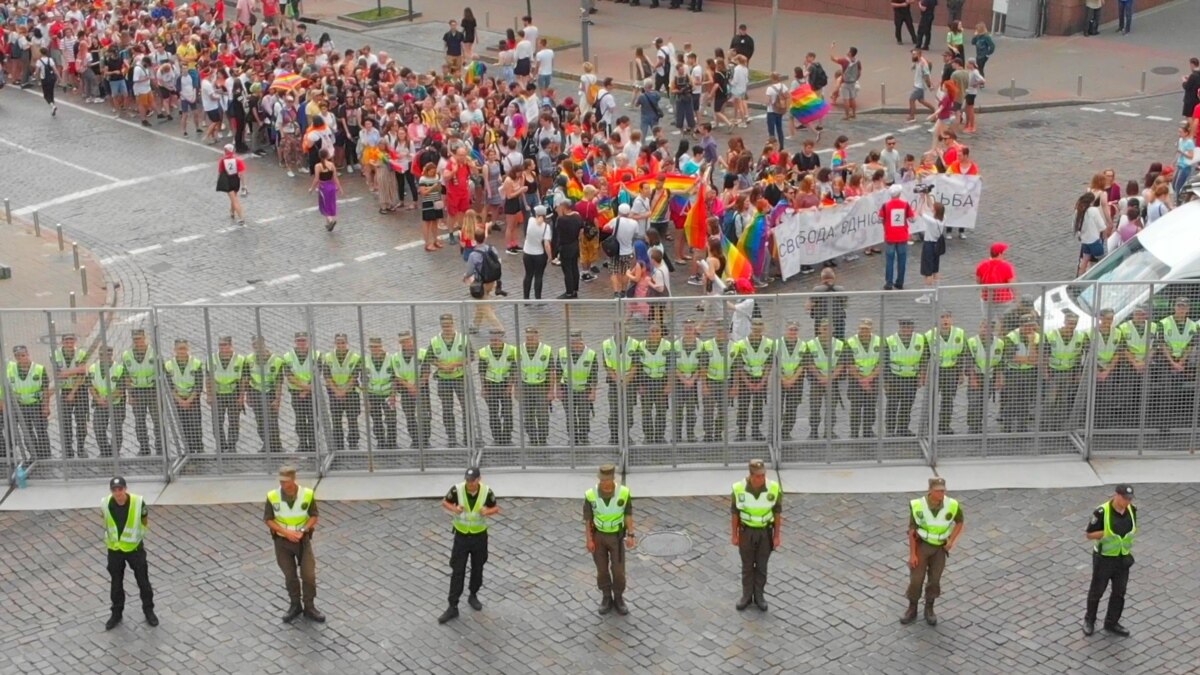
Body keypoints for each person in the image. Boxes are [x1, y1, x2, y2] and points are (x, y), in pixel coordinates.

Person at [439, 467, 501, 624]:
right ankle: (452, 606)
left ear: (479, 480)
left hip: (479, 536)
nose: (469, 483)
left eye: (472, 481)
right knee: (457, 571)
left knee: (477, 567)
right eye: (467, 480)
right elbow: (445, 502)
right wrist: (455, 509)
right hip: (461, 536)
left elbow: (496, 508)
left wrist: (487, 512)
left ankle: (473, 594)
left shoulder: (486, 492)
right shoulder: (458, 489)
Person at [900, 477, 964, 626]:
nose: (942, 493)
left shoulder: (952, 505)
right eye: (938, 491)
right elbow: (912, 531)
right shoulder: (918, 505)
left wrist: (951, 541)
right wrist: (913, 554)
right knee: (916, 579)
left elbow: (960, 522)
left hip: (940, 549)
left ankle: (929, 607)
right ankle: (912, 607)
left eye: (943, 490)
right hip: (922, 546)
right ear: (930, 491)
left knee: (935, 580)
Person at [265, 466, 324, 623]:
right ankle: (295, 605)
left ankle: (310, 606)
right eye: (282, 482)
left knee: (308, 575)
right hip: (282, 542)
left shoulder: (307, 494)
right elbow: (269, 519)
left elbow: (314, 515)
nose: (284, 485)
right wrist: (286, 533)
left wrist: (304, 529)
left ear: (293, 479)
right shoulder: (273, 496)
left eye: (287, 482)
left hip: (302, 541)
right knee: (290, 576)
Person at [102, 476, 157, 630]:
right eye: (114, 490)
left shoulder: (138, 502)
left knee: (143, 582)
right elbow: (105, 520)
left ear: (125, 489)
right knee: (116, 583)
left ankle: (149, 610)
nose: (118, 493)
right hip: (115, 549)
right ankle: (116, 613)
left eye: (120, 489)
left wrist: (139, 535)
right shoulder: (106, 503)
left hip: (134, 549)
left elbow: (144, 520)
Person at [1083, 484, 1137, 637]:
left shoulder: (1132, 511)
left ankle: (1112, 622)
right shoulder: (1102, 512)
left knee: (1119, 592)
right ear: (1116, 495)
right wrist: (1106, 533)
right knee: (1097, 591)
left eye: (1129, 499)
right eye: (1125, 498)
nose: (1127, 502)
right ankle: (1090, 620)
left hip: (1122, 559)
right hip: (1104, 559)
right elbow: (1089, 534)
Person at [584, 464, 636, 615]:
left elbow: (628, 514)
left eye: (607, 481)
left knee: (618, 570)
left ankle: (618, 597)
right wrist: (589, 539)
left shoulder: (624, 493)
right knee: (602, 570)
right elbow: (588, 519)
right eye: (602, 481)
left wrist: (631, 534)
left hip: (617, 537)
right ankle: (606, 596)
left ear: (613, 480)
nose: (604, 484)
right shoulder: (590, 494)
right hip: (598, 536)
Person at [732, 459, 781, 611]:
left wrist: (777, 535)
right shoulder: (738, 488)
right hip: (746, 532)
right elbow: (735, 513)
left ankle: (759, 596)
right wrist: (734, 535)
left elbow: (777, 513)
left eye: (763, 475)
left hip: (765, 533)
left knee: (761, 566)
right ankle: (746, 596)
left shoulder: (773, 487)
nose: (761, 479)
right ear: (751, 475)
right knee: (747, 566)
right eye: (758, 476)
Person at [430, 314, 469, 447]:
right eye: (444, 326)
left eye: (449, 325)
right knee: (447, 409)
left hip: (460, 378)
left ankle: (467, 436)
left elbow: (471, 357)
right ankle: (451, 436)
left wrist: (454, 365)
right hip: (443, 379)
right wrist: (441, 366)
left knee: (466, 408)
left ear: (454, 324)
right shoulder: (435, 341)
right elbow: (430, 358)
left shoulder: (463, 339)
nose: (447, 328)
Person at [883, 318, 927, 437]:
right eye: (904, 327)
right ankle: (890, 430)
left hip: (911, 378)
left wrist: (922, 376)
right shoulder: (890, 340)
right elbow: (884, 361)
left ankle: (903, 429)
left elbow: (924, 358)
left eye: (908, 327)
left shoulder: (921, 339)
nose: (906, 330)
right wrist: (886, 381)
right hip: (895, 377)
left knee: (907, 405)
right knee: (892, 405)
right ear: (900, 328)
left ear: (912, 328)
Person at [733, 318, 774, 442]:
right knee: (743, 406)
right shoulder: (740, 344)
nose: (757, 331)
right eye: (755, 329)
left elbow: (769, 364)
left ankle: (756, 430)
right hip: (745, 378)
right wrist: (747, 382)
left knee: (758, 406)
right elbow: (738, 365)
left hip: (761, 378)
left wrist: (763, 381)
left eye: (759, 329)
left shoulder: (770, 344)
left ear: (763, 329)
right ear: (751, 328)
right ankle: (741, 432)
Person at [123, 329, 162, 456]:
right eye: (135, 339)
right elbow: (126, 376)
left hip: (153, 390)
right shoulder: (127, 355)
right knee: (139, 421)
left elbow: (161, 373)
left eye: (139, 338)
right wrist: (130, 394)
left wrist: (158, 392)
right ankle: (144, 447)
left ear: (144, 338)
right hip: (137, 391)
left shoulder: (154, 353)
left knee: (158, 421)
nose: (137, 341)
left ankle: (160, 447)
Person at [163, 338, 204, 455]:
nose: (182, 351)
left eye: (184, 348)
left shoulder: (196, 363)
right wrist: (180, 400)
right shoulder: (168, 365)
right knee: (183, 424)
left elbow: (199, 384)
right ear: (174, 350)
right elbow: (169, 386)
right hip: (178, 399)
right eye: (179, 349)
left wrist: (189, 400)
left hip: (193, 398)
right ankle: (188, 449)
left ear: (188, 349)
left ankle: (199, 448)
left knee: (195, 423)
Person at [558, 331, 599, 446]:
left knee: (584, 414)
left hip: (584, 390)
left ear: (582, 341)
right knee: (570, 415)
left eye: (578, 342)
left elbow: (594, 374)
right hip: (567, 389)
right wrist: (558, 390)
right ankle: (573, 437)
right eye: (573, 343)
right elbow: (558, 371)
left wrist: (593, 392)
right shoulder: (562, 352)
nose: (575, 345)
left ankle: (584, 436)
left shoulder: (591, 354)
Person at [323, 333, 362, 452]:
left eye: (343, 342)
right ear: (335, 343)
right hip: (334, 393)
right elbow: (327, 376)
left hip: (351, 393)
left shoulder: (355, 357)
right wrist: (337, 391)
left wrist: (343, 391)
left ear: (347, 343)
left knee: (352, 419)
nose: (340, 345)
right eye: (338, 343)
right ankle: (338, 443)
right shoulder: (328, 357)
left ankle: (353, 442)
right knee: (336, 419)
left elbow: (354, 376)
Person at [52, 333, 89, 459]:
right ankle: (68, 449)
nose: (69, 344)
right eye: (66, 342)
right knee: (65, 421)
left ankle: (81, 447)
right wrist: (76, 370)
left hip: (80, 390)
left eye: (71, 341)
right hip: (65, 390)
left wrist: (73, 390)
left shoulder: (81, 353)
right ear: (62, 342)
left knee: (81, 421)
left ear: (75, 342)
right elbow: (58, 374)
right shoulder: (55, 354)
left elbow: (83, 372)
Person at [805, 318, 844, 440]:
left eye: (829, 328)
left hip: (832, 382)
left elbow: (842, 363)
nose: (826, 331)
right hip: (817, 381)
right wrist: (820, 377)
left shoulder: (840, 344)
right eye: (824, 328)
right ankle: (814, 431)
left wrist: (830, 378)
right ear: (819, 329)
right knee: (815, 407)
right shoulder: (811, 344)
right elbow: (809, 363)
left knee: (831, 408)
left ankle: (829, 431)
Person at [635, 322, 673, 444]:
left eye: (657, 331)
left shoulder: (668, 346)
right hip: (646, 382)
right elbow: (638, 367)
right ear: (648, 333)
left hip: (661, 382)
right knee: (646, 411)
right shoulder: (640, 346)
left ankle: (660, 436)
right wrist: (639, 384)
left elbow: (671, 366)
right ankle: (648, 436)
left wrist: (669, 384)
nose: (654, 334)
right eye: (652, 331)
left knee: (661, 411)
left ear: (661, 333)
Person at [602, 323, 639, 446]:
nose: (620, 330)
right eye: (617, 328)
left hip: (630, 383)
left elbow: (636, 364)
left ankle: (626, 435)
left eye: (622, 327)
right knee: (614, 410)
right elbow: (607, 365)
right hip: (614, 383)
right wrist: (617, 380)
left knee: (628, 411)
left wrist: (626, 380)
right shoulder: (607, 344)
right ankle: (614, 436)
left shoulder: (635, 344)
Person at [246, 337, 284, 453]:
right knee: (260, 421)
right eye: (254, 344)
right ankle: (266, 445)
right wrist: (248, 395)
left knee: (272, 421)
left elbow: (279, 381)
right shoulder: (249, 359)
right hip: (255, 392)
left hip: (269, 392)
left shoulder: (276, 361)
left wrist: (277, 399)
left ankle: (277, 446)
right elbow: (246, 378)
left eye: (259, 344)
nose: (257, 346)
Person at [282, 332, 319, 453]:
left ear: (308, 341)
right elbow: (289, 376)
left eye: (303, 340)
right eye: (299, 341)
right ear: (295, 341)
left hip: (312, 393)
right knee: (300, 419)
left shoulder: (316, 355)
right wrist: (304, 387)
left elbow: (317, 374)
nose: (301, 343)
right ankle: (302, 443)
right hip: (297, 393)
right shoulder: (288, 357)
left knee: (313, 419)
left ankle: (314, 444)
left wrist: (307, 389)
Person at [846, 319, 882, 438]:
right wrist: (862, 380)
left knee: (870, 407)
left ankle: (868, 430)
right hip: (856, 381)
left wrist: (869, 378)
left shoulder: (879, 341)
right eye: (862, 328)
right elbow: (849, 363)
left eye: (867, 329)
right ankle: (854, 432)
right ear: (858, 328)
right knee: (855, 408)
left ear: (871, 329)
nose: (864, 331)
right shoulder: (850, 342)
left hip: (873, 380)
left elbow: (882, 363)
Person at [518, 327, 554, 446]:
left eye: (532, 337)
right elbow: (515, 370)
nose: (530, 340)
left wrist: (550, 390)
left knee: (542, 415)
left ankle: (543, 438)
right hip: (525, 386)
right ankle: (532, 438)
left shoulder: (546, 350)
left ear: (538, 337)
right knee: (527, 415)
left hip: (541, 386)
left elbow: (551, 371)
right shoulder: (519, 350)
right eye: (528, 338)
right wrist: (516, 389)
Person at [89, 347, 126, 458]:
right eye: (101, 355)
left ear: (111, 355)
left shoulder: (119, 369)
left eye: (107, 355)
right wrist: (98, 399)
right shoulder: (92, 368)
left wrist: (108, 399)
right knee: (98, 428)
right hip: (100, 404)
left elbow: (121, 388)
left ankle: (115, 452)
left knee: (116, 429)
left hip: (116, 404)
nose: (104, 357)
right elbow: (90, 386)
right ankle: (104, 451)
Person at [880, 184, 914, 290]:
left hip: (890, 236)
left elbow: (880, 219)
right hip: (902, 236)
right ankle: (900, 282)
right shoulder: (905, 204)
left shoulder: (885, 205)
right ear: (899, 194)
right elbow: (912, 219)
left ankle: (889, 283)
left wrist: (885, 225)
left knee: (889, 260)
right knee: (902, 259)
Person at [976, 242, 1016, 321]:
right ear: (1000, 254)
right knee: (1005, 322)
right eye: (1004, 252)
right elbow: (1011, 284)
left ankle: (989, 333)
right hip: (1003, 299)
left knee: (988, 322)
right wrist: (1015, 296)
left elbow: (978, 281)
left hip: (987, 298)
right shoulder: (1006, 267)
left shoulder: (981, 265)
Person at [917, 194, 946, 302]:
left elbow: (920, 212)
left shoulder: (932, 221)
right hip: (937, 246)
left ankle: (926, 296)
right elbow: (931, 206)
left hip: (929, 245)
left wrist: (921, 200)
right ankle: (936, 293)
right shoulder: (943, 219)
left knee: (927, 272)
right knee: (935, 270)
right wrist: (927, 195)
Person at [554, 200, 583, 299]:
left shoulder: (561, 220)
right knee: (574, 267)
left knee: (567, 270)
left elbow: (557, 230)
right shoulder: (577, 217)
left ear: (564, 207)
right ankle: (575, 289)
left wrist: (559, 214)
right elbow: (581, 230)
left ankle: (569, 292)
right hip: (575, 245)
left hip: (565, 246)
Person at [310, 148, 342, 232]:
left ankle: (330, 220)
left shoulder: (318, 166)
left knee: (324, 205)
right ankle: (328, 224)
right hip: (332, 186)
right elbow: (335, 177)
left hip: (323, 187)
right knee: (330, 204)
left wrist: (311, 188)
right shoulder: (331, 165)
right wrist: (340, 187)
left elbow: (316, 179)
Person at [216, 144, 247, 225]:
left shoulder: (222, 160)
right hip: (236, 180)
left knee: (234, 199)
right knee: (234, 197)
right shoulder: (238, 160)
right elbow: (241, 174)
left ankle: (241, 217)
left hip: (228, 180)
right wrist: (244, 186)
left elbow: (220, 172)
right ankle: (232, 212)